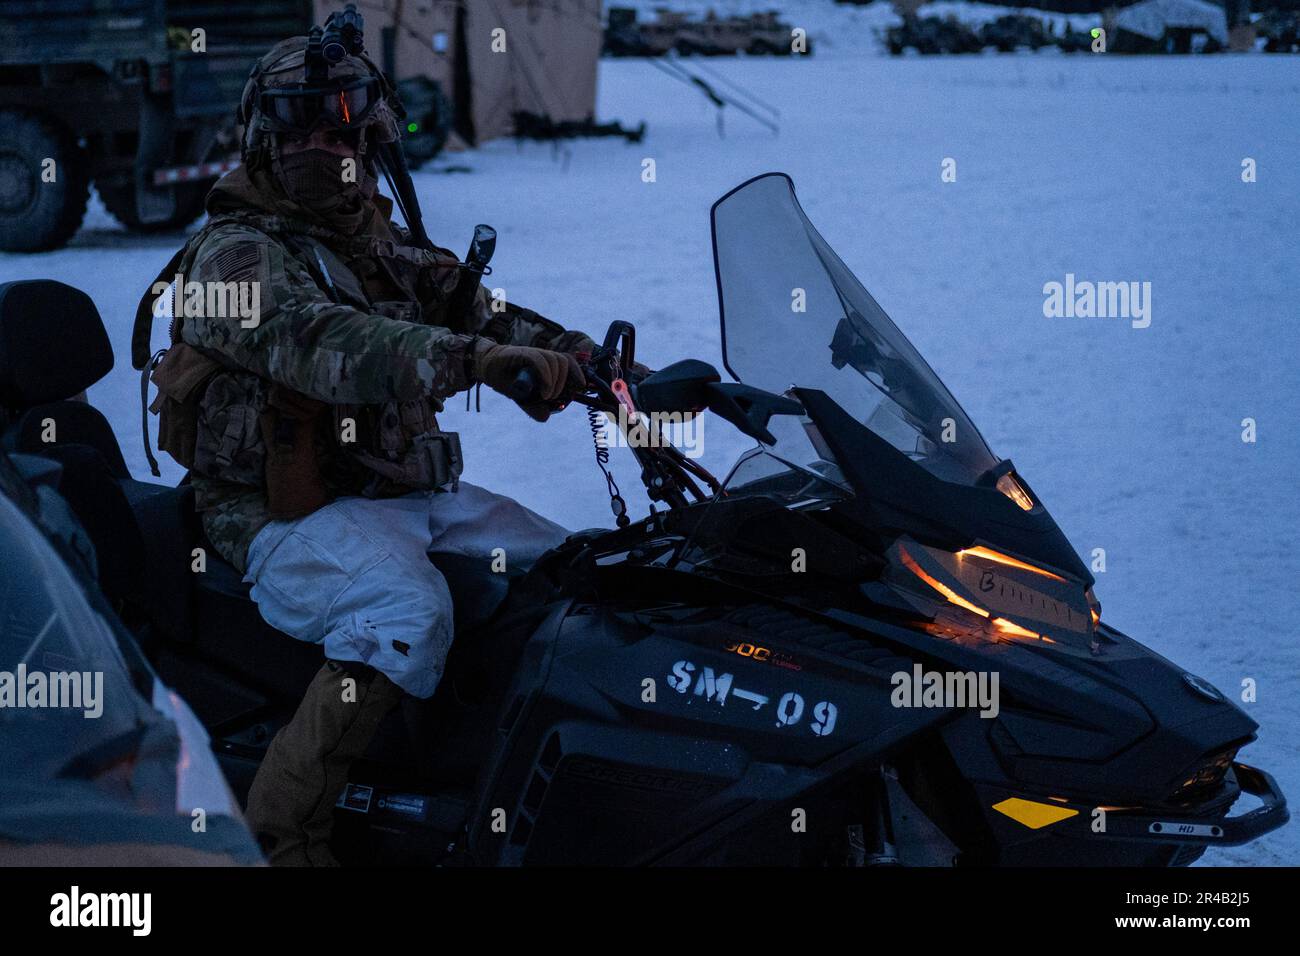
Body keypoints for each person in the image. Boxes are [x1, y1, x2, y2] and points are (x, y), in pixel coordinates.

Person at [140, 34, 609, 865]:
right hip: (273, 511)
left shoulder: (367, 236)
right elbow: (324, 342)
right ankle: (283, 839)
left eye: (344, 134)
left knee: (563, 574)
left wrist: (586, 359)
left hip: (394, 493)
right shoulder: (233, 255)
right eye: (303, 134)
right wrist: (478, 363)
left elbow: (474, 311)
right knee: (402, 611)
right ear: (264, 140)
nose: (327, 150)